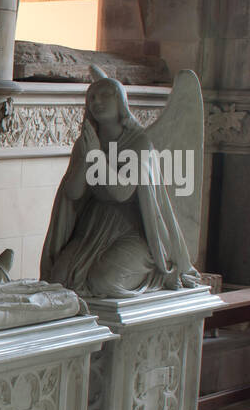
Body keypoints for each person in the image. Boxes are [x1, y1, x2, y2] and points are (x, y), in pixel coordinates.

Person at [40, 71, 200, 297]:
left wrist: (96, 156)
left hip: (132, 229)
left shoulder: (139, 142)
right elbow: (73, 193)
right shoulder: (86, 142)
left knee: (104, 282)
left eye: (105, 95)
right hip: (92, 227)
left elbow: (122, 193)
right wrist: (86, 157)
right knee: (60, 279)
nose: (96, 101)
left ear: (121, 102)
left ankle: (150, 272)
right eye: (92, 97)